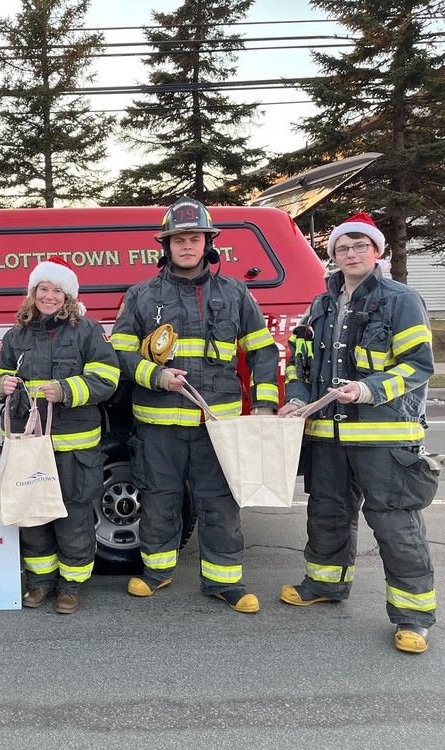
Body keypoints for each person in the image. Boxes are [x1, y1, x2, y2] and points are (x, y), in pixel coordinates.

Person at [277, 212, 440, 654]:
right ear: (333, 256)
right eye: (342, 248)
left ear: (377, 251)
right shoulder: (321, 304)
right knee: (327, 514)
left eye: (359, 246)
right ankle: (325, 584)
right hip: (329, 435)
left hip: (384, 436)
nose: (350, 254)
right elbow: (298, 361)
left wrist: (367, 389)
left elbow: (418, 366)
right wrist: (296, 396)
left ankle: (413, 617)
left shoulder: (401, 299)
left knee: (395, 525)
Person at [110, 196, 279, 614]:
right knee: (159, 499)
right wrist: (156, 375)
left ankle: (224, 582)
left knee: (219, 502)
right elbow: (120, 352)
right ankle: (157, 572)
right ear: (165, 246)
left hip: (216, 423)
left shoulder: (235, 293)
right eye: (179, 239)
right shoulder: (141, 295)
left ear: (209, 243)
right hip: (157, 422)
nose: (187, 246)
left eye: (195, 238)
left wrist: (264, 406)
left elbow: (262, 351)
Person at [0, 256, 119, 615]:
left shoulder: (88, 331)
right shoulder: (16, 336)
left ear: (69, 297)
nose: (49, 296)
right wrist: (1, 383)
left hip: (73, 443)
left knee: (73, 516)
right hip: (27, 444)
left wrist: (66, 390)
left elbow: (107, 378)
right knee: (32, 513)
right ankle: (41, 582)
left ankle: (70, 587)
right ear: (32, 294)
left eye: (56, 290)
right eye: (43, 289)